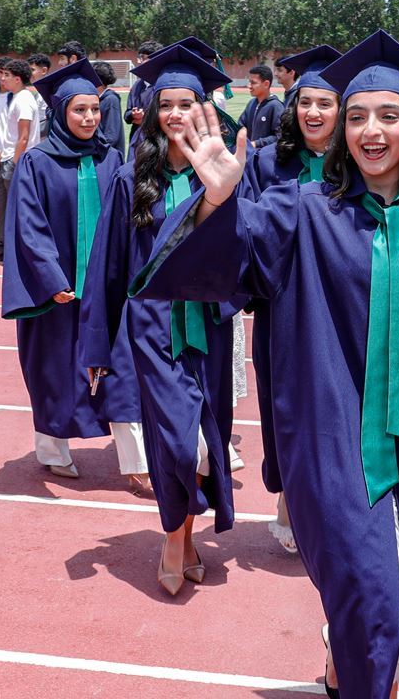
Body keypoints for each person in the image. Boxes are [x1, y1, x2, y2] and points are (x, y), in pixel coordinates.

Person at [137, 30, 399, 697]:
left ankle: (346, 656)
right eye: (358, 116)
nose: (372, 131)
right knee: (372, 597)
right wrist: (218, 201)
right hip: (329, 438)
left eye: (389, 115)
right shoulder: (304, 212)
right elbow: (223, 261)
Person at [78, 42, 240, 598]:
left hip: (208, 325)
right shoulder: (130, 180)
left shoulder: (221, 176)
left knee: (206, 440)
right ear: (150, 111)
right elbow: (106, 268)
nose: (174, 114)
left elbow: (247, 251)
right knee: (175, 443)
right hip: (151, 330)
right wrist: (97, 348)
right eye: (165, 104)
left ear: (203, 110)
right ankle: (173, 537)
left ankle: (187, 533)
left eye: (185, 104)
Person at [2, 59, 148, 487]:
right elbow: (29, 227)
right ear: (61, 113)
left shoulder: (112, 158)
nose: (89, 118)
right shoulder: (37, 162)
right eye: (79, 110)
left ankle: (137, 462)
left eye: (95, 109)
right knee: (55, 371)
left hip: (108, 290)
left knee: (122, 372)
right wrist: (52, 279)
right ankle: (53, 449)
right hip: (58, 293)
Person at [240, 43, 341, 553]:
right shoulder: (267, 162)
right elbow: (246, 233)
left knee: (339, 405)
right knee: (286, 402)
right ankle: (288, 496)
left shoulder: (359, 164)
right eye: (305, 102)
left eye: (325, 103)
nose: (313, 112)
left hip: (344, 307)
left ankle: (335, 502)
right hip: (284, 305)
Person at [0, 58, 29, 262]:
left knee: (15, 208)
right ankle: (3, 245)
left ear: (17, 79)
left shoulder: (24, 99)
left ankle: (17, 251)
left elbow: (24, 137)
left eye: (7, 75)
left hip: (13, 161)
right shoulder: (14, 98)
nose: (3, 78)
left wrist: (15, 162)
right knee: (3, 205)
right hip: (5, 159)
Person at [126, 40, 163, 143]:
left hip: (156, 140)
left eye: (145, 58)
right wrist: (133, 115)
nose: (141, 62)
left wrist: (145, 118)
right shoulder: (137, 85)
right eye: (141, 58)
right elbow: (127, 114)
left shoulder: (163, 85)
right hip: (136, 139)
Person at [241, 65, 284, 148]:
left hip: (265, 154)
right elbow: (241, 125)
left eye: (253, 83)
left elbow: (279, 136)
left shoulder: (276, 106)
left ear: (266, 84)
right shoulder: (251, 103)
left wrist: (256, 143)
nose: (249, 86)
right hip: (249, 153)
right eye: (249, 82)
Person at [92, 60, 126, 160]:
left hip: (108, 156)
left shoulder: (111, 99)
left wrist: (96, 149)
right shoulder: (97, 99)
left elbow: (111, 135)